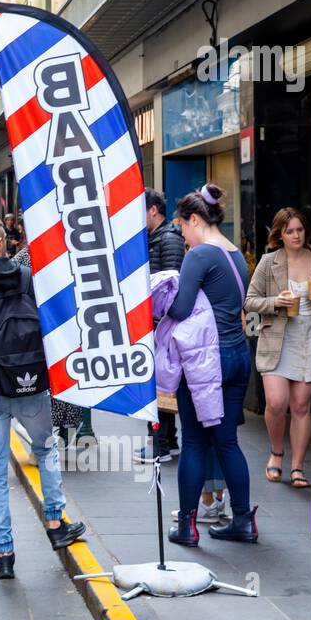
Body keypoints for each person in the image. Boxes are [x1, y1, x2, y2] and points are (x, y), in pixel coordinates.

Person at [0, 214, 85, 579]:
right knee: (46, 450)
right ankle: (56, 526)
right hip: (32, 383)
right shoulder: (28, 279)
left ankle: (5, 552)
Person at [165, 185, 255, 546]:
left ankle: (186, 525)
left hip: (207, 361)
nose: (182, 233)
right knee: (228, 441)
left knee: (194, 444)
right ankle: (244, 520)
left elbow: (181, 308)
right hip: (237, 355)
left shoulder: (200, 255)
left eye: (182, 226)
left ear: (196, 219)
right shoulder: (235, 255)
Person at [245, 207, 311, 489]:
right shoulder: (268, 262)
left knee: (301, 406)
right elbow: (250, 300)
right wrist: (275, 301)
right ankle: (277, 452)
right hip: (277, 340)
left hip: (309, 340)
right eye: (289, 231)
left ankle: (298, 467)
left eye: (299, 230)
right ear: (280, 235)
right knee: (276, 402)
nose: (296, 235)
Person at [136, 188, 187, 464]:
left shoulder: (168, 240)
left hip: (161, 324)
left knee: (159, 386)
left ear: (153, 210)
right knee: (159, 386)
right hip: (155, 323)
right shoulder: (155, 238)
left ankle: (161, 444)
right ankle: (168, 441)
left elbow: (172, 284)